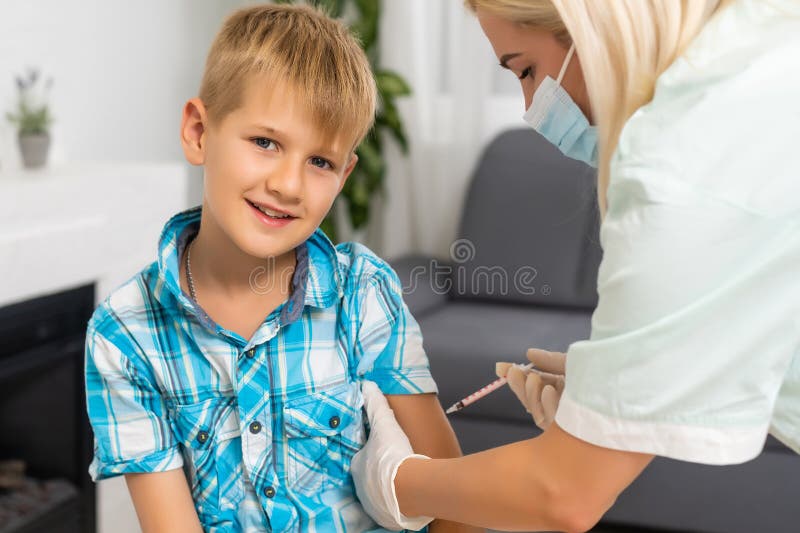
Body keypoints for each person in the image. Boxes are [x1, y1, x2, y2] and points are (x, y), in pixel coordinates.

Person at [350, 0, 800, 531]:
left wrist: (393, 481)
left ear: (590, 27)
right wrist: (618, 387)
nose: (530, 107)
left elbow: (564, 493)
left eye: (525, 70)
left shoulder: (681, 164)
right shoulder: (758, 51)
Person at [83, 5, 480, 533]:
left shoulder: (362, 293)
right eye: (265, 142)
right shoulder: (125, 334)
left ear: (344, 175)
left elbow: (453, 503)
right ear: (199, 132)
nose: (288, 185)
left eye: (320, 162)